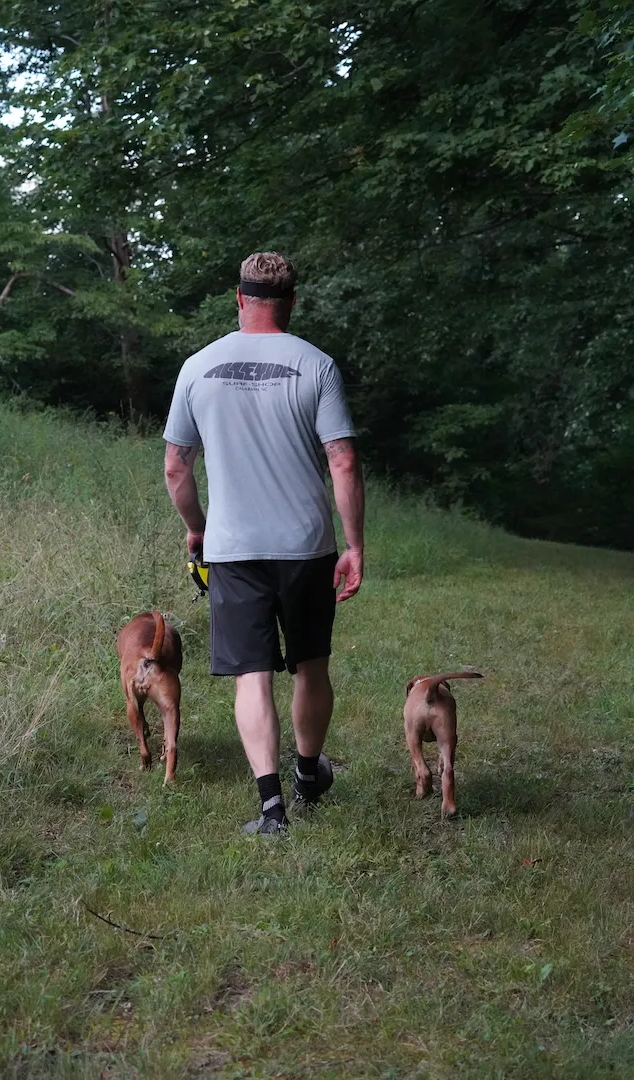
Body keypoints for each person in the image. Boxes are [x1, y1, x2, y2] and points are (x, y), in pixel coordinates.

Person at [163, 251, 365, 835]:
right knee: (309, 664)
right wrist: (353, 545)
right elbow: (344, 460)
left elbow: (177, 466)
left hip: (233, 547)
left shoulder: (197, 367)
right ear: (292, 302)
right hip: (306, 545)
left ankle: (271, 810)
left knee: (252, 673)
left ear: (239, 297)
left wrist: (198, 527)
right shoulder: (316, 365)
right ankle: (308, 776)